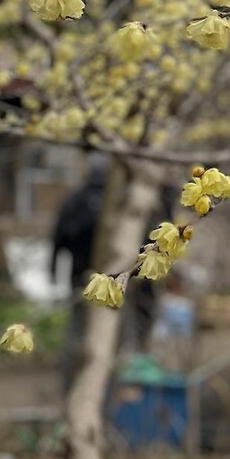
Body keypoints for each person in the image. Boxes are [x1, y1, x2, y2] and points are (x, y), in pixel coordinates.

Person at [51, 156, 172, 392]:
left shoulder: (77, 201)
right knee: (109, 337)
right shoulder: (116, 202)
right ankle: (105, 385)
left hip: (83, 278)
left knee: (80, 335)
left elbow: (57, 241)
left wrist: (53, 272)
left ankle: (75, 382)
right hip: (117, 281)